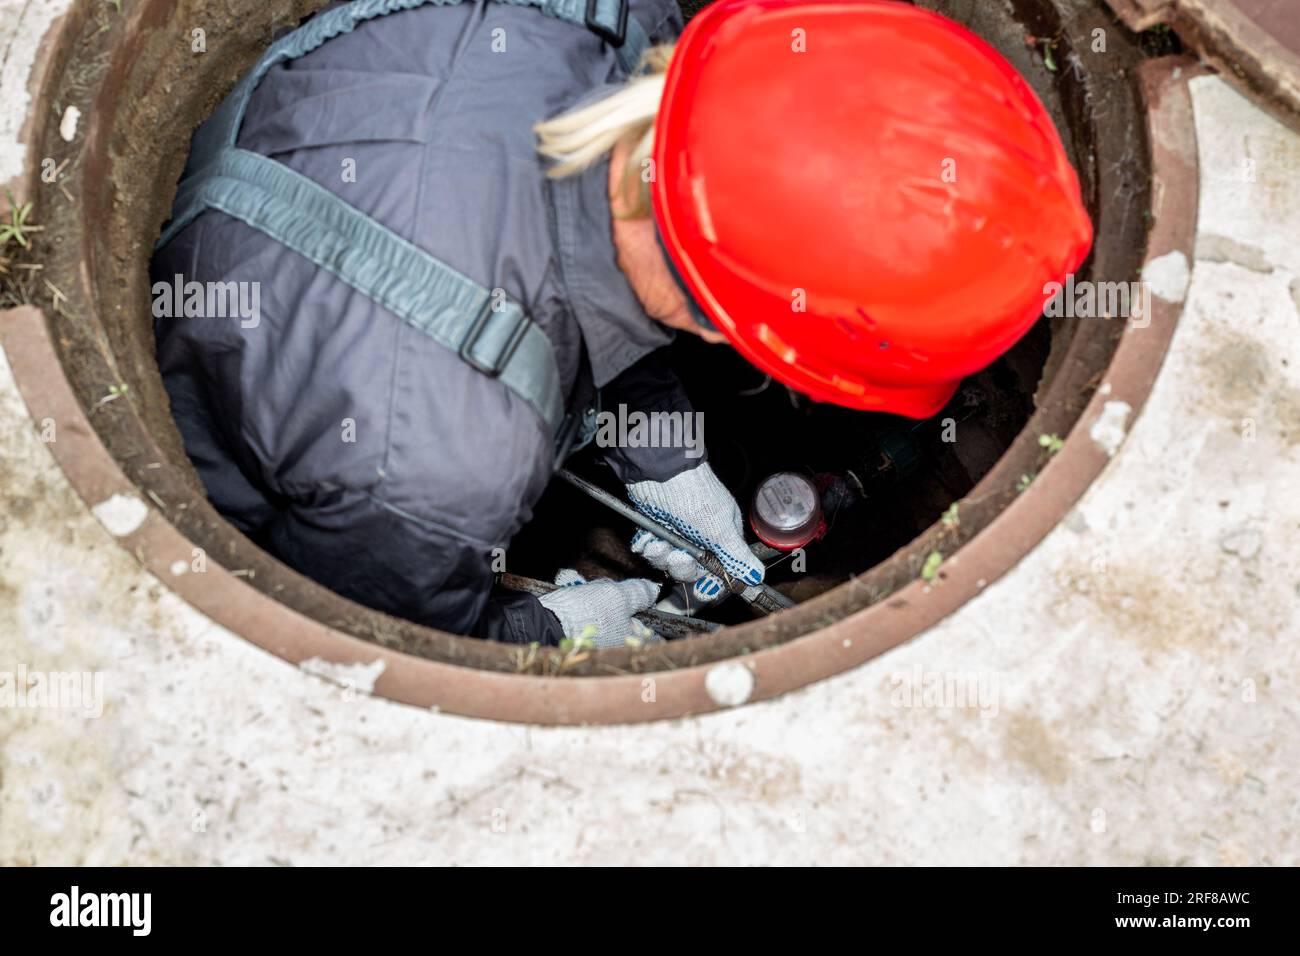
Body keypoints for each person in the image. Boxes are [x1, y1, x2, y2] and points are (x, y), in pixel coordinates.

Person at [151, 0, 1092, 648]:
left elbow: (616, 249)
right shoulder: (436, 467)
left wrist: (666, 459)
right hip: (266, 437)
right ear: (745, 344)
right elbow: (374, 637)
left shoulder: (621, 26)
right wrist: (548, 632)